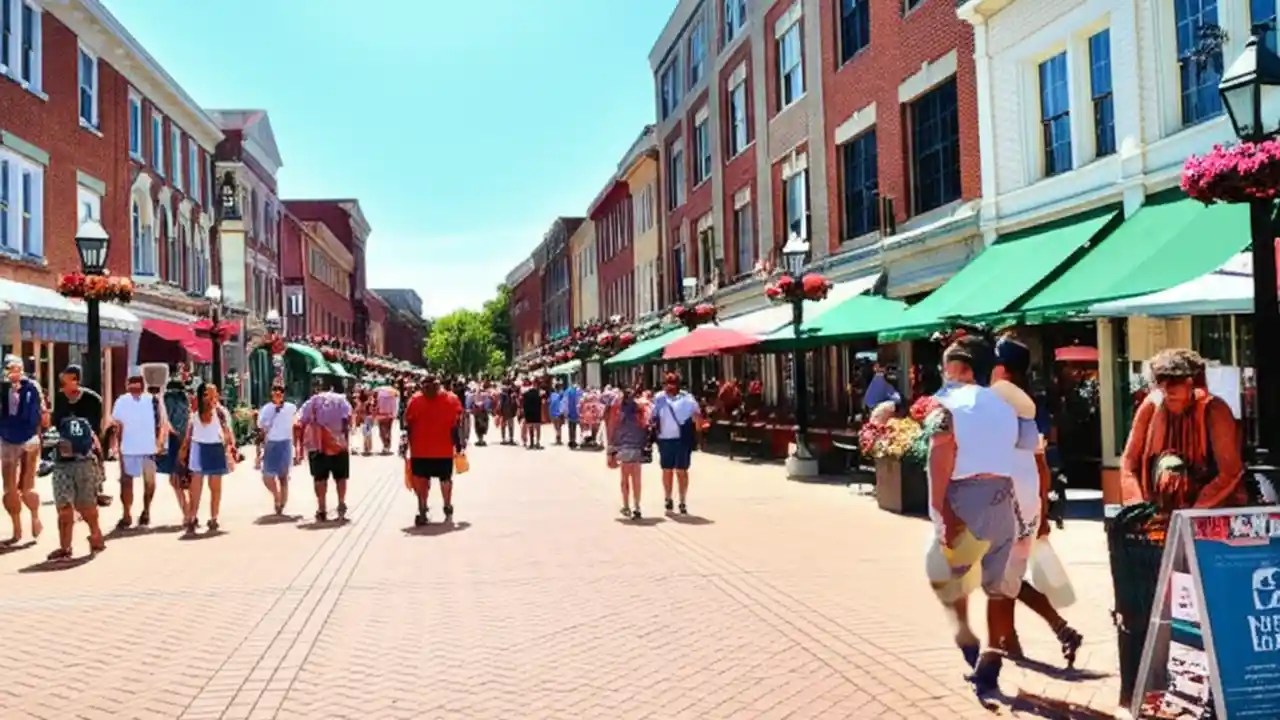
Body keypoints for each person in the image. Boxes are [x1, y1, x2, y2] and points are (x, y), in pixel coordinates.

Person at [922, 335, 1026, 700]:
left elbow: (940, 460)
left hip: (963, 499)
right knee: (997, 588)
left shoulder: (946, 407)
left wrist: (943, 512)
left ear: (958, 368)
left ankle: (965, 634)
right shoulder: (1005, 407)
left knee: (949, 576)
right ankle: (992, 661)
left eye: (947, 365)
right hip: (1002, 499)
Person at [988, 337, 1083, 666]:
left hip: (1005, 501)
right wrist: (1041, 510)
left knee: (1000, 579)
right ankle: (1012, 639)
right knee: (1007, 577)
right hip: (1025, 500)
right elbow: (1042, 466)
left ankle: (1001, 650)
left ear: (1001, 368)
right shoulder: (1031, 406)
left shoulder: (999, 403)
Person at [1120, 348, 1244, 509]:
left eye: (1174, 380)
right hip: (1156, 507)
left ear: (1191, 382)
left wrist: (1195, 513)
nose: (1167, 387)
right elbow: (1129, 463)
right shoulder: (1151, 406)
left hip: (1208, 509)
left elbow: (1230, 471)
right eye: (1160, 379)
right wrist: (1136, 507)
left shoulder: (1213, 410)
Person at [48, 364, 106, 560]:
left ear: (76, 379)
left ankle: (96, 535)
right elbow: (55, 425)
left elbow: (96, 431)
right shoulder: (60, 398)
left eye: (67, 379)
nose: (63, 384)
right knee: (64, 505)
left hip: (85, 460)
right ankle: (65, 547)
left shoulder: (92, 400)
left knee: (86, 505)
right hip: (62, 461)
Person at [403, 374, 464, 525]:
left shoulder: (415, 400)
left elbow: (407, 425)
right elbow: (455, 426)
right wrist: (458, 445)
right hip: (443, 449)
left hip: (420, 450)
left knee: (422, 480)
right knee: (445, 479)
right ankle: (447, 506)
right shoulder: (451, 399)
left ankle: (422, 508)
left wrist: (405, 445)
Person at [110, 372, 166, 530]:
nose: (135, 387)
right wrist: (116, 447)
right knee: (127, 482)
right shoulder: (122, 401)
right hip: (128, 448)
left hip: (148, 448)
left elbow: (161, 423)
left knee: (148, 483)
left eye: (137, 384)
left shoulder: (152, 401)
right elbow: (117, 425)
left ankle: (145, 510)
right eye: (132, 384)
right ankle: (127, 513)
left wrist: (160, 442)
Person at [179, 382, 235, 534]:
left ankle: (214, 518)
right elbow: (188, 435)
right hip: (198, 448)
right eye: (206, 394)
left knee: (215, 487)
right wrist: (183, 452)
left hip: (216, 448)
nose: (210, 398)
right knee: (195, 488)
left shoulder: (221, 413)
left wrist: (230, 449)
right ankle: (192, 518)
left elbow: (228, 433)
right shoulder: (195, 414)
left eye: (213, 394)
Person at [0, 355, 44, 543]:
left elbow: (39, 412)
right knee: (9, 489)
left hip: (28, 438)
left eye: (15, 368)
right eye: (8, 368)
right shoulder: (2, 388)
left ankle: (35, 516)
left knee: (26, 489)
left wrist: (37, 435)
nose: (12, 372)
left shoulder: (32, 387)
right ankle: (17, 529)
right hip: (7, 438)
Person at [298, 378, 353, 522]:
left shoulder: (312, 402)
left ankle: (322, 508)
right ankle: (341, 503)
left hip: (318, 444)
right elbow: (348, 420)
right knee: (340, 477)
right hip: (339, 444)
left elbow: (301, 420)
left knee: (319, 478)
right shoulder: (342, 401)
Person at [650, 372, 700, 515]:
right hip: (664, 439)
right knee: (667, 470)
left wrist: (698, 432)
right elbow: (653, 415)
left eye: (672, 383)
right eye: (667, 383)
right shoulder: (659, 398)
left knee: (681, 470)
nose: (669, 387)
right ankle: (668, 498)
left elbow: (697, 416)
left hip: (682, 439)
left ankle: (683, 500)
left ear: (678, 384)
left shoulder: (687, 398)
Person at [156, 367, 194, 520]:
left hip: (173, 442)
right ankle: (191, 511)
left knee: (175, 480)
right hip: (189, 442)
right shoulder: (185, 401)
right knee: (188, 479)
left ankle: (186, 511)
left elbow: (167, 423)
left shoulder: (167, 399)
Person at [606, 387, 649, 519]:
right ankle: (637, 506)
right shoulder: (641, 409)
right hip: (637, 446)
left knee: (625, 479)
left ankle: (626, 505)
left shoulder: (618, 411)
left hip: (623, 447)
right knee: (637, 479)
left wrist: (610, 449)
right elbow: (647, 425)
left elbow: (611, 429)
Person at [258, 384, 298, 516]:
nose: (277, 394)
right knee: (267, 476)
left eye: (280, 392)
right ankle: (277, 495)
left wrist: (298, 448)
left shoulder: (290, 408)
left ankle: (281, 504)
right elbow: (261, 427)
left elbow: (297, 425)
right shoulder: (266, 409)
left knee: (283, 477)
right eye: (275, 391)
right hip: (271, 444)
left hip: (285, 443)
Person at [375, 384, 399, 455]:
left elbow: (378, 406)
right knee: (388, 431)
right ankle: (387, 445)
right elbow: (395, 407)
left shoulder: (380, 396)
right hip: (389, 416)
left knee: (382, 431)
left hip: (382, 415)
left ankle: (385, 445)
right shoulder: (393, 396)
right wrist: (394, 415)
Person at [521, 379, 543, 449]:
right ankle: (537, 442)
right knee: (538, 429)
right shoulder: (539, 394)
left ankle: (531, 443)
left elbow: (523, 404)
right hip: (537, 413)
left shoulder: (526, 394)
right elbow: (541, 403)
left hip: (529, 414)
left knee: (531, 429)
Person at [469, 382, 492, 447]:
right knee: (481, 426)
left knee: (478, 426)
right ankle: (480, 440)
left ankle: (480, 440)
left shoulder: (474, 395)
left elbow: (471, 403)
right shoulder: (485, 395)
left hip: (478, 412)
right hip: (482, 412)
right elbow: (488, 403)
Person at [563, 380, 581, 449]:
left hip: (570, 412)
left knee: (571, 427)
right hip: (575, 412)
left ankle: (571, 440)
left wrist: (565, 412)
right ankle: (573, 440)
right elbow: (579, 401)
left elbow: (565, 402)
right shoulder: (578, 391)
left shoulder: (567, 391)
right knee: (574, 427)